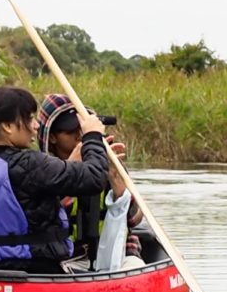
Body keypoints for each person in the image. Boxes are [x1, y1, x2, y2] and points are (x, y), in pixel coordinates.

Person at [0, 85, 126, 274]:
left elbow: (25, 200)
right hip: (36, 270)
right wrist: (93, 137)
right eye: (29, 119)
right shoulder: (30, 163)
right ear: (7, 126)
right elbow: (94, 178)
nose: (36, 126)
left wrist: (69, 166)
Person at [38, 93, 162, 267]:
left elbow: (134, 218)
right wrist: (70, 169)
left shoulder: (107, 161)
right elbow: (43, 217)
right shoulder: (42, 171)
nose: (79, 136)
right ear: (52, 137)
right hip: (66, 258)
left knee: (134, 266)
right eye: (71, 131)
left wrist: (115, 178)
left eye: (83, 130)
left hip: (118, 254)